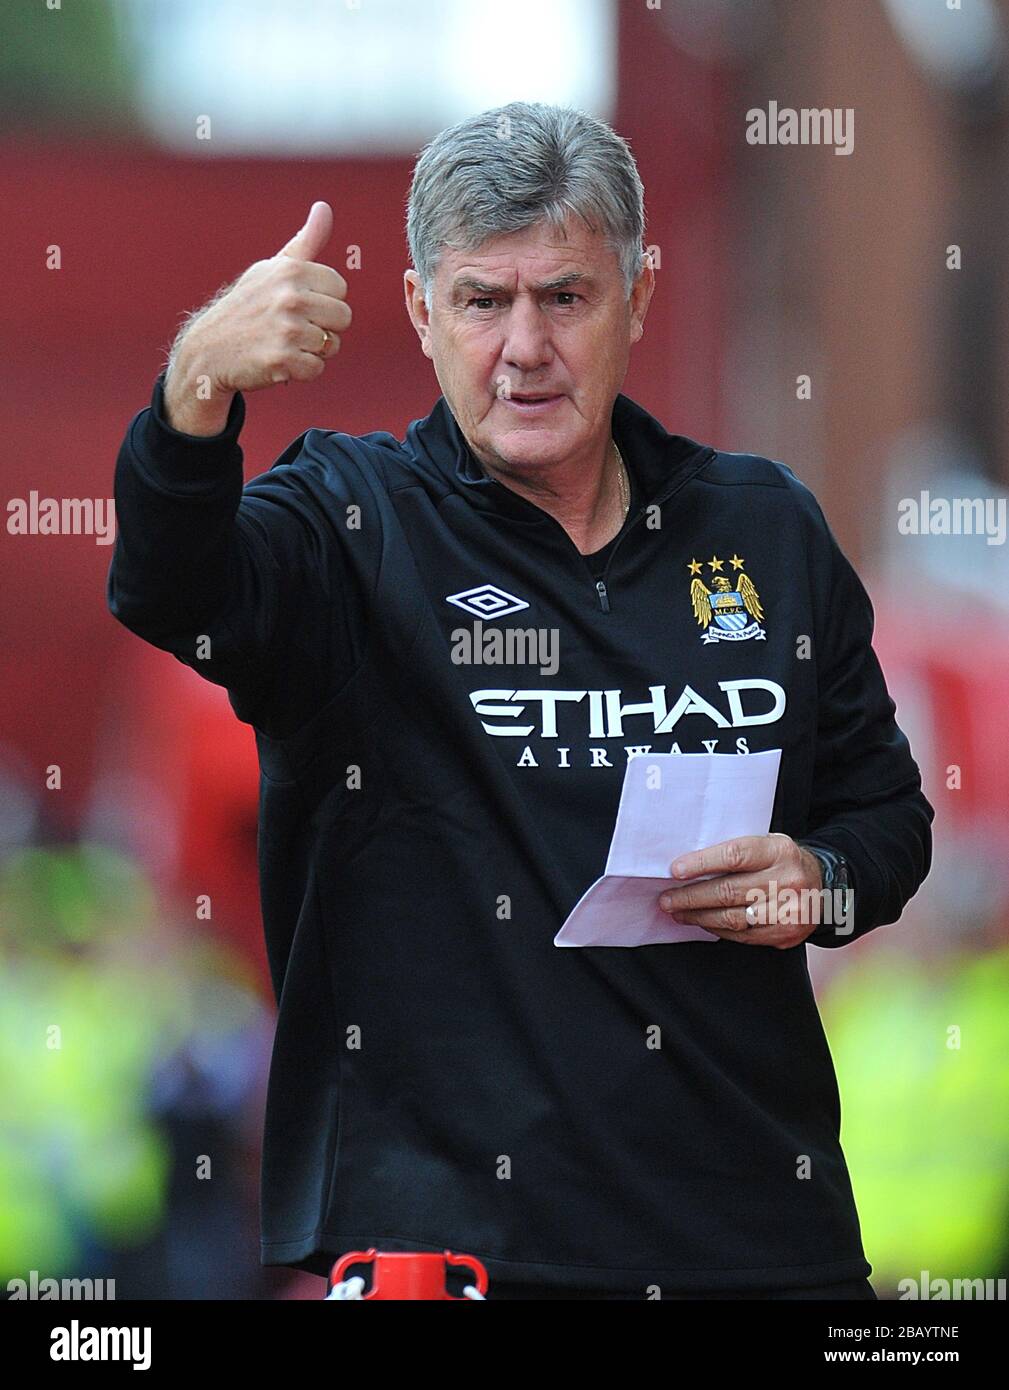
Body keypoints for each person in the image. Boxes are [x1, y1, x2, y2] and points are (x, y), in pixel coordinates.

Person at [106, 101, 933, 1300]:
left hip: (758, 1241)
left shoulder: (762, 529)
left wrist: (822, 878)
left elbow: (890, 820)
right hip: (444, 1246)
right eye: (483, 302)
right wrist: (193, 391)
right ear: (419, 313)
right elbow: (168, 591)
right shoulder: (351, 522)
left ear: (639, 296)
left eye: (565, 297)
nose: (524, 348)